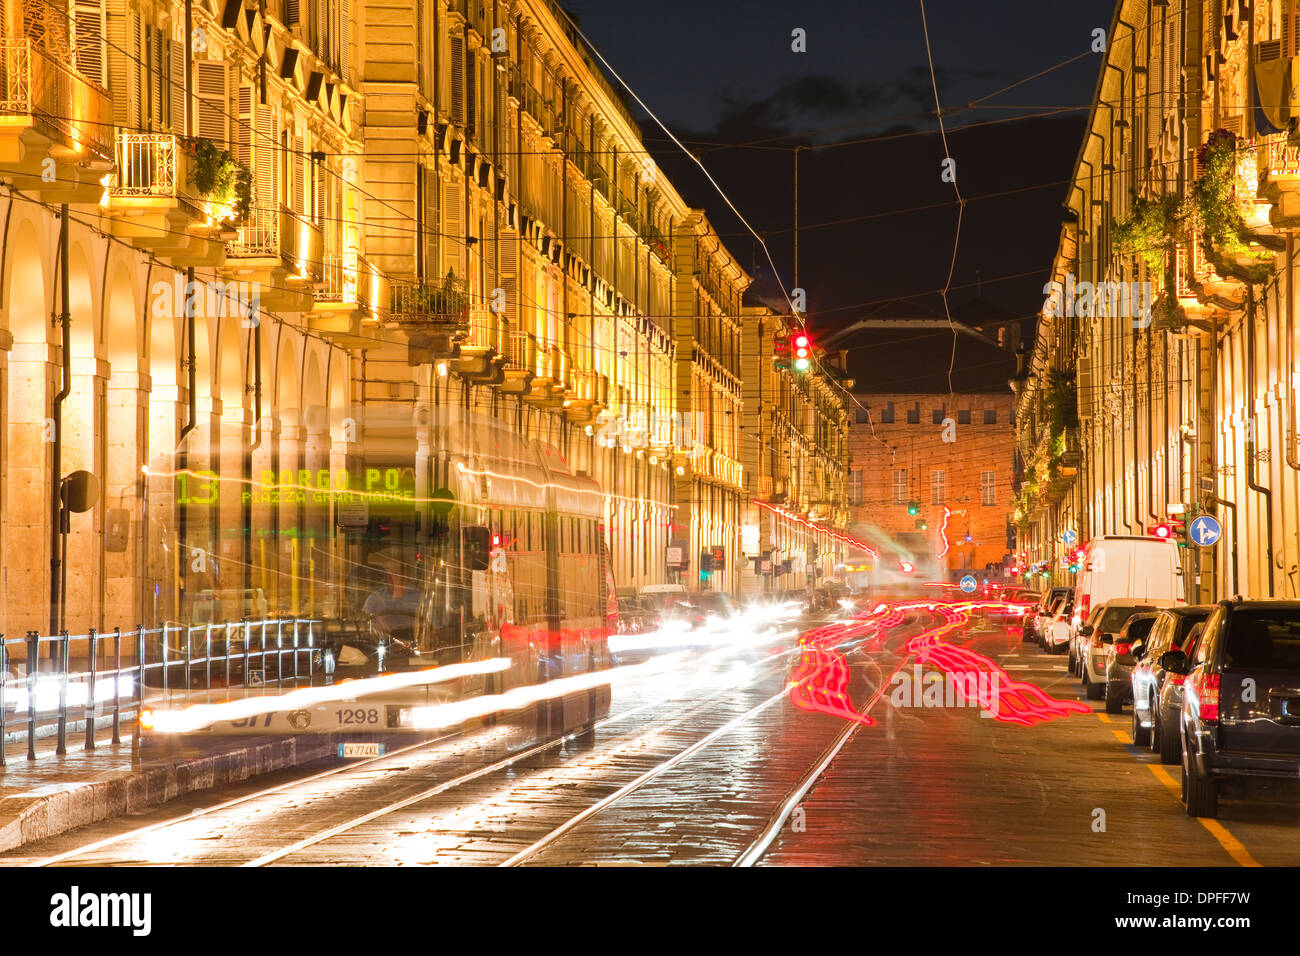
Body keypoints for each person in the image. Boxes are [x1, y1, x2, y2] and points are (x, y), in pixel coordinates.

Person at [362, 551, 421, 644]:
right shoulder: (374, 599)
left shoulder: (419, 598)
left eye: (395, 573)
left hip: (413, 646)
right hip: (381, 646)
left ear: (406, 575)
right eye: (388, 573)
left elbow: (429, 627)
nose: (391, 578)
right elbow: (365, 627)